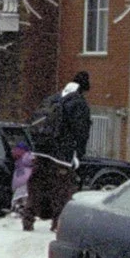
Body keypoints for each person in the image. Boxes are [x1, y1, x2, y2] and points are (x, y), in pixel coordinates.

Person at [28, 71, 93, 232]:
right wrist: (79, 153)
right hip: (61, 155)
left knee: (37, 186)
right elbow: (81, 131)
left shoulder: (53, 98)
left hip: (41, 150)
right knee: (62, 190)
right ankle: (58, 224)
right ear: (84, 88)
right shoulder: (78, 103)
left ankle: (27, 218)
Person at [11, 140, 37, 231]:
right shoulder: (19, 160)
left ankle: (24, 212)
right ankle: (20, 210)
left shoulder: (27, 157)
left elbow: (33, 160)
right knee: (20, 198)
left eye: (17, 149)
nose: (14, 151)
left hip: (25, 183)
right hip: (20, 184)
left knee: (25, 198)